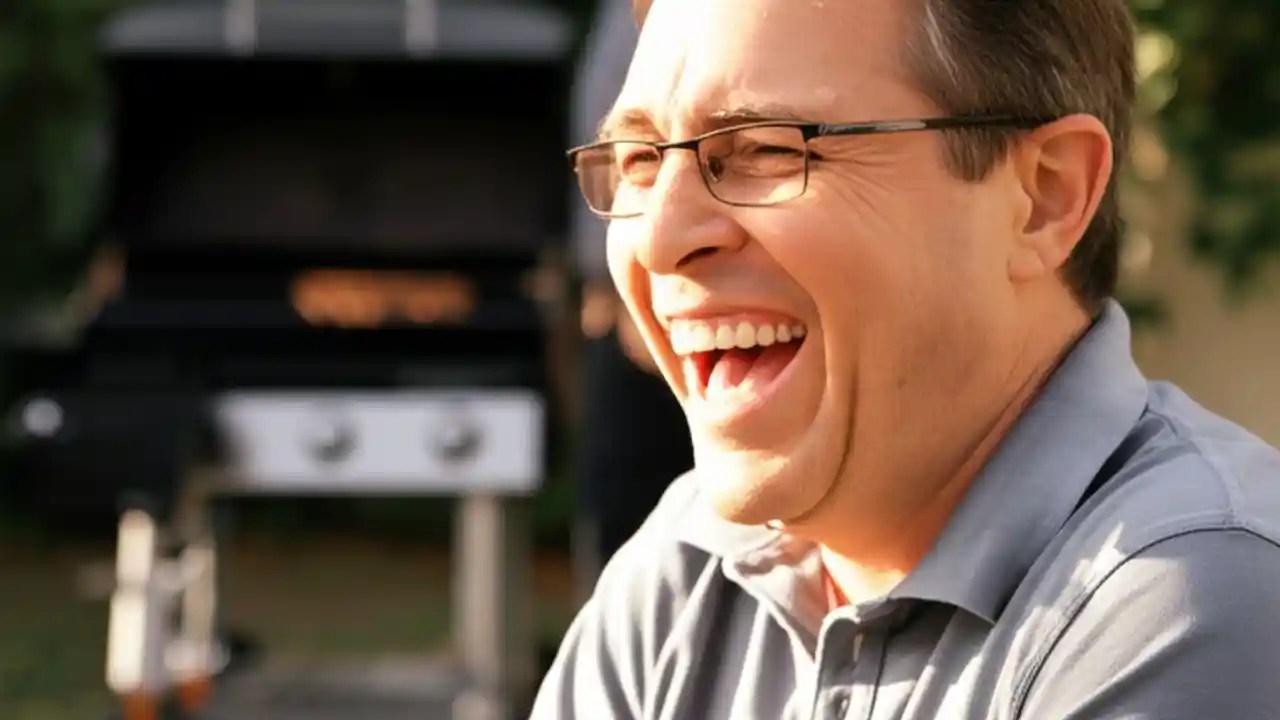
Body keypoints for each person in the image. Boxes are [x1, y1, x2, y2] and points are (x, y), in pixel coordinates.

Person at [531, 0, 1280, 717]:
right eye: (637, 162)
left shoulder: (1198, 595)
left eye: (766, 148)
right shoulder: (686, 574)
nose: (661, 240)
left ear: (1045, 195)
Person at [567, 0, 693, 585]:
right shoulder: (625, 17)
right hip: (629, 304)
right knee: (621, 504)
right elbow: (607, 136)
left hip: (665, 297)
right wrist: (606, 288)